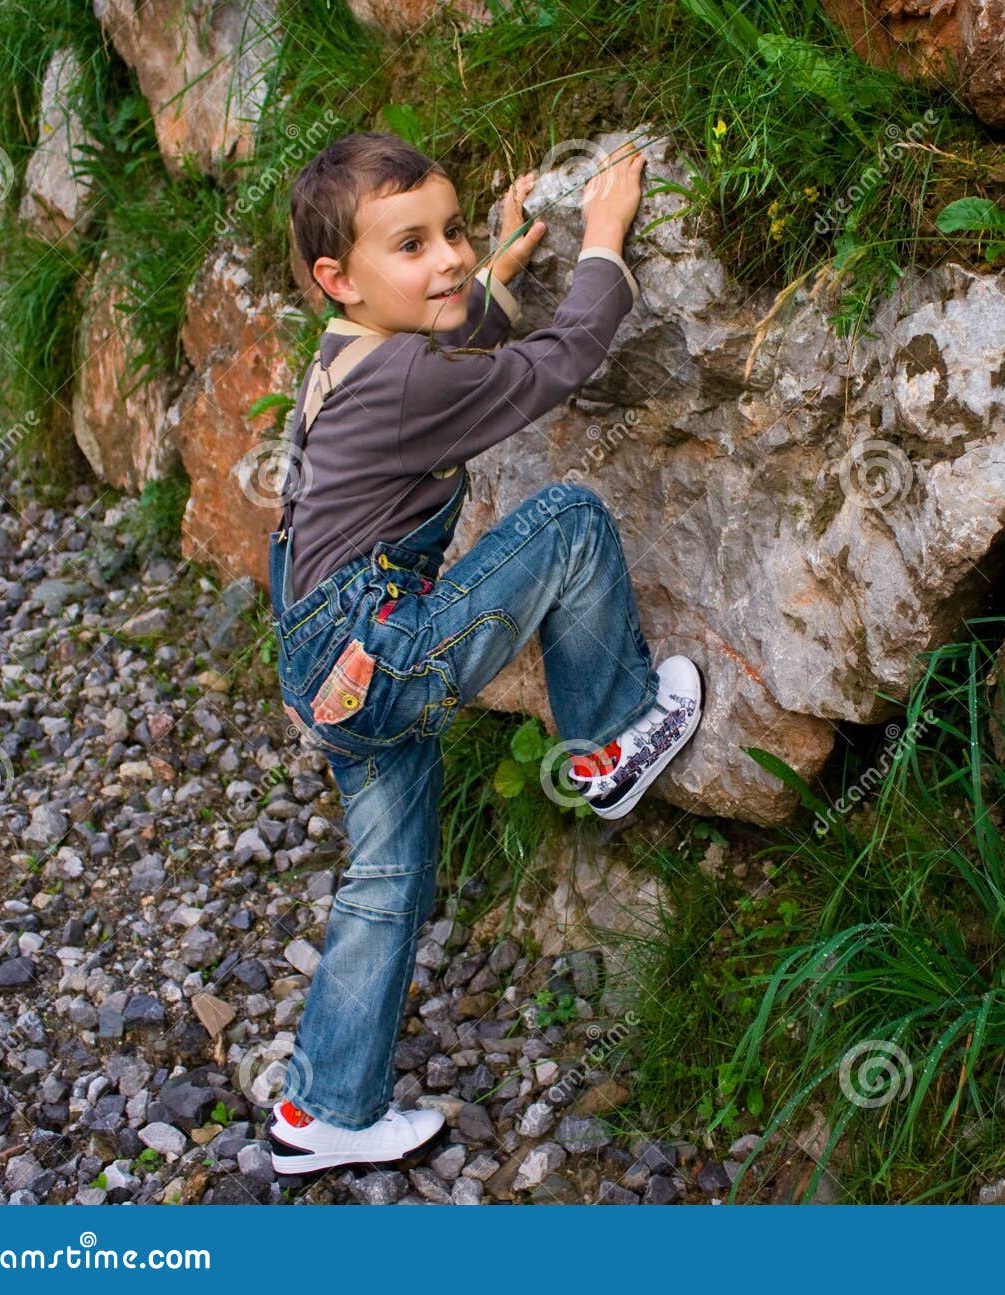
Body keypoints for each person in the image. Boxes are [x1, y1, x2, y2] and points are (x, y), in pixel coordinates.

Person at [261, 130, 703, 1175]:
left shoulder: (344, 353)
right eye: (411, 246)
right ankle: (610, 743)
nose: (450, 258)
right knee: (565, 521)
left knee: (385, 874)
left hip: (325, 663)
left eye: (453, 231)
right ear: (339, 276)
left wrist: (496, 270)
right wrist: (602, 241)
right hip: (385, 643)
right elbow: (556, 363)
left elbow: (453, 355)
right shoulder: (409, 380)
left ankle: (325, 1109)